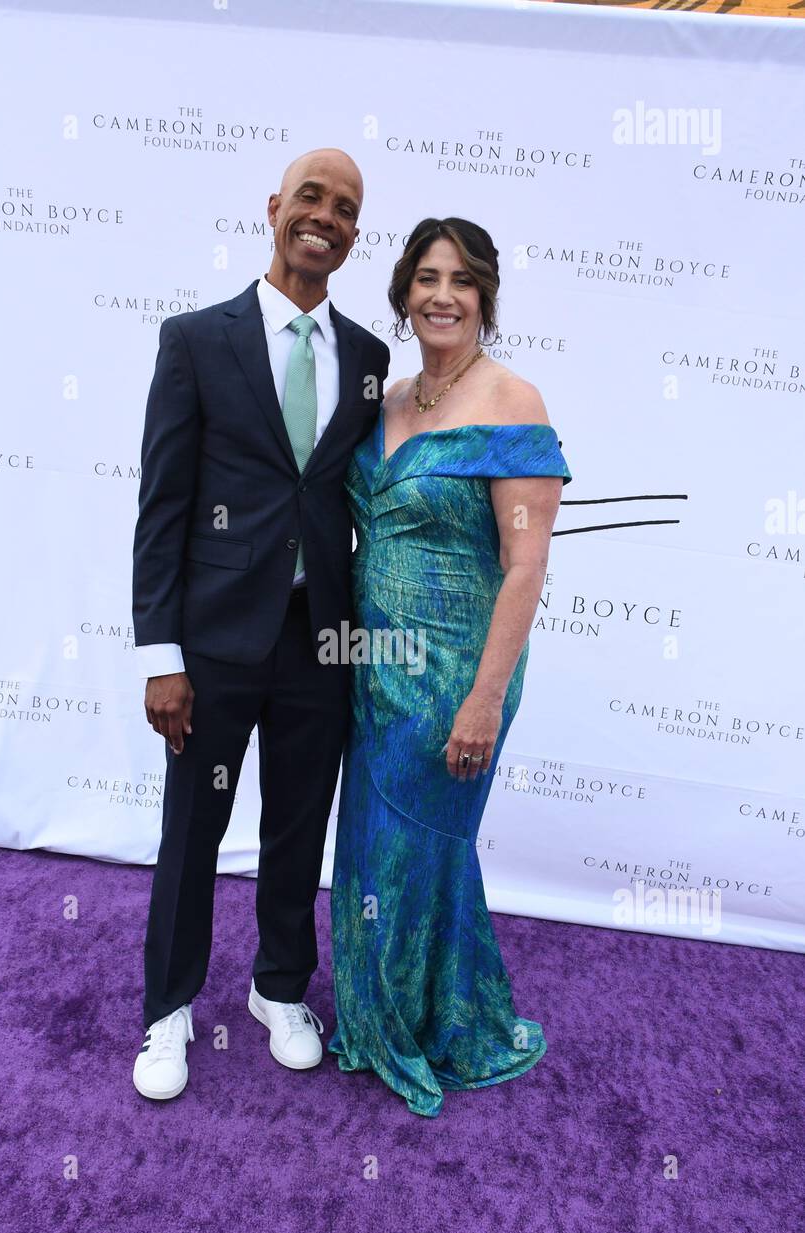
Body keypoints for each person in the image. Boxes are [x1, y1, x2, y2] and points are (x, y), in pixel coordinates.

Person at [131, 149, 389, 1100]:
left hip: (321, 639)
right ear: (275, 209)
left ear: (356, 235)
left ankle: (279, 987)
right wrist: (162, 654)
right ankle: (167, 1011)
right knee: (192, 828)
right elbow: (163, 507)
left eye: (347, 209)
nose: (326, 217)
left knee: (297, 827)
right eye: (312, 199)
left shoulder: (367, 358)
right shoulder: (196, 339)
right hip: (212, 643)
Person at [328, 217, 572, 1117]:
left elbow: (527, 564)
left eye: (461, 280)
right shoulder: (387, 401)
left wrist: (484, 697)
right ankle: (379, 1016)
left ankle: (433, 1025)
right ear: (402, 295)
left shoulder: (514, 402)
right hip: (372, 667)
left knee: (418, 852)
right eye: (426, 277)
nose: (441, 294)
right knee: (370, 850)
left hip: (457, 678)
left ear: (486, 298)